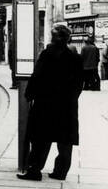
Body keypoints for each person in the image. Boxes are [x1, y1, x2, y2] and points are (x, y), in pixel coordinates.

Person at [18, 23, 84, 181]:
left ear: (55, 38)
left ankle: (34, 170)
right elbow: (79, 83)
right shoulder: (75, 57)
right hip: (66, 105)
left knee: (41, 137)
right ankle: (60, 172)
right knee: (65, 140)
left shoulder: (47, 54)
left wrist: (30, 94)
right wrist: (72, 98)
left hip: (45, 103)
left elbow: (37, 76)